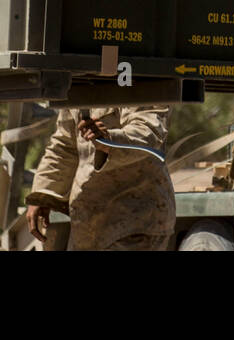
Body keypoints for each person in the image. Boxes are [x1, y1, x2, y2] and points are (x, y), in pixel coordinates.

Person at [25, 106, 176, 250]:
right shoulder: (77, 89)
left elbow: (149, 132)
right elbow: (66, 144)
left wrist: (109, 141)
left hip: (133, 224)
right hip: (89, 226)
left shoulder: (138, 86)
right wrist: (42, 194)